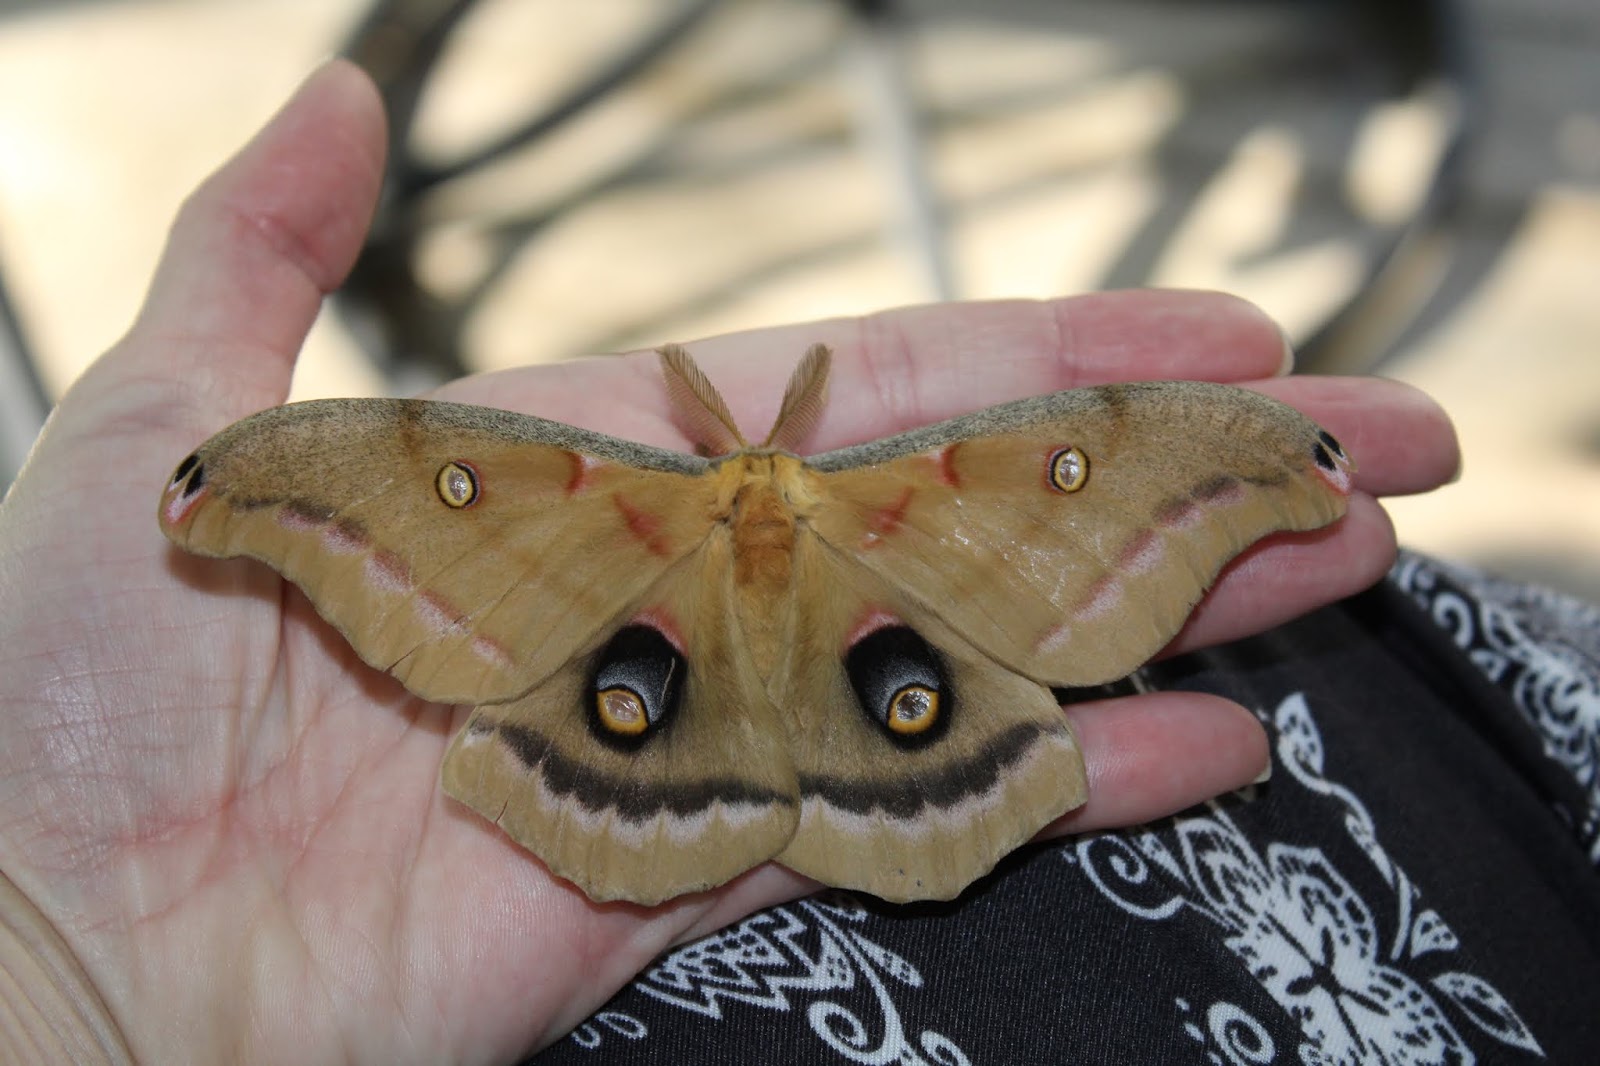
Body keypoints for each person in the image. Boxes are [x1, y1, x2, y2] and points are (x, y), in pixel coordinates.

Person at [0, 60, 1523, 1064]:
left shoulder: (635, 494)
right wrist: (53, 963)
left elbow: (1121, 466)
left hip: (700, 683)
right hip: (814, 667)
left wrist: (60, 967)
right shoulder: (869, 489)